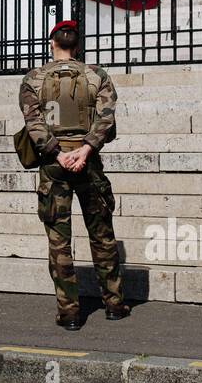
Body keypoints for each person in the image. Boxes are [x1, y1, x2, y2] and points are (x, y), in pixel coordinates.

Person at [19, 20, 127, 331]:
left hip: (54, 164)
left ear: (52, 43)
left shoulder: (33, 79)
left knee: (58, 240)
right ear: (76, 46)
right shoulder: (97, 75)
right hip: (89, 161)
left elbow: (33, 124)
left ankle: (69, 312)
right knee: (102, 234)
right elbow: (106, 118)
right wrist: (85, 149)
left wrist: (58, 152)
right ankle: (114, 304)